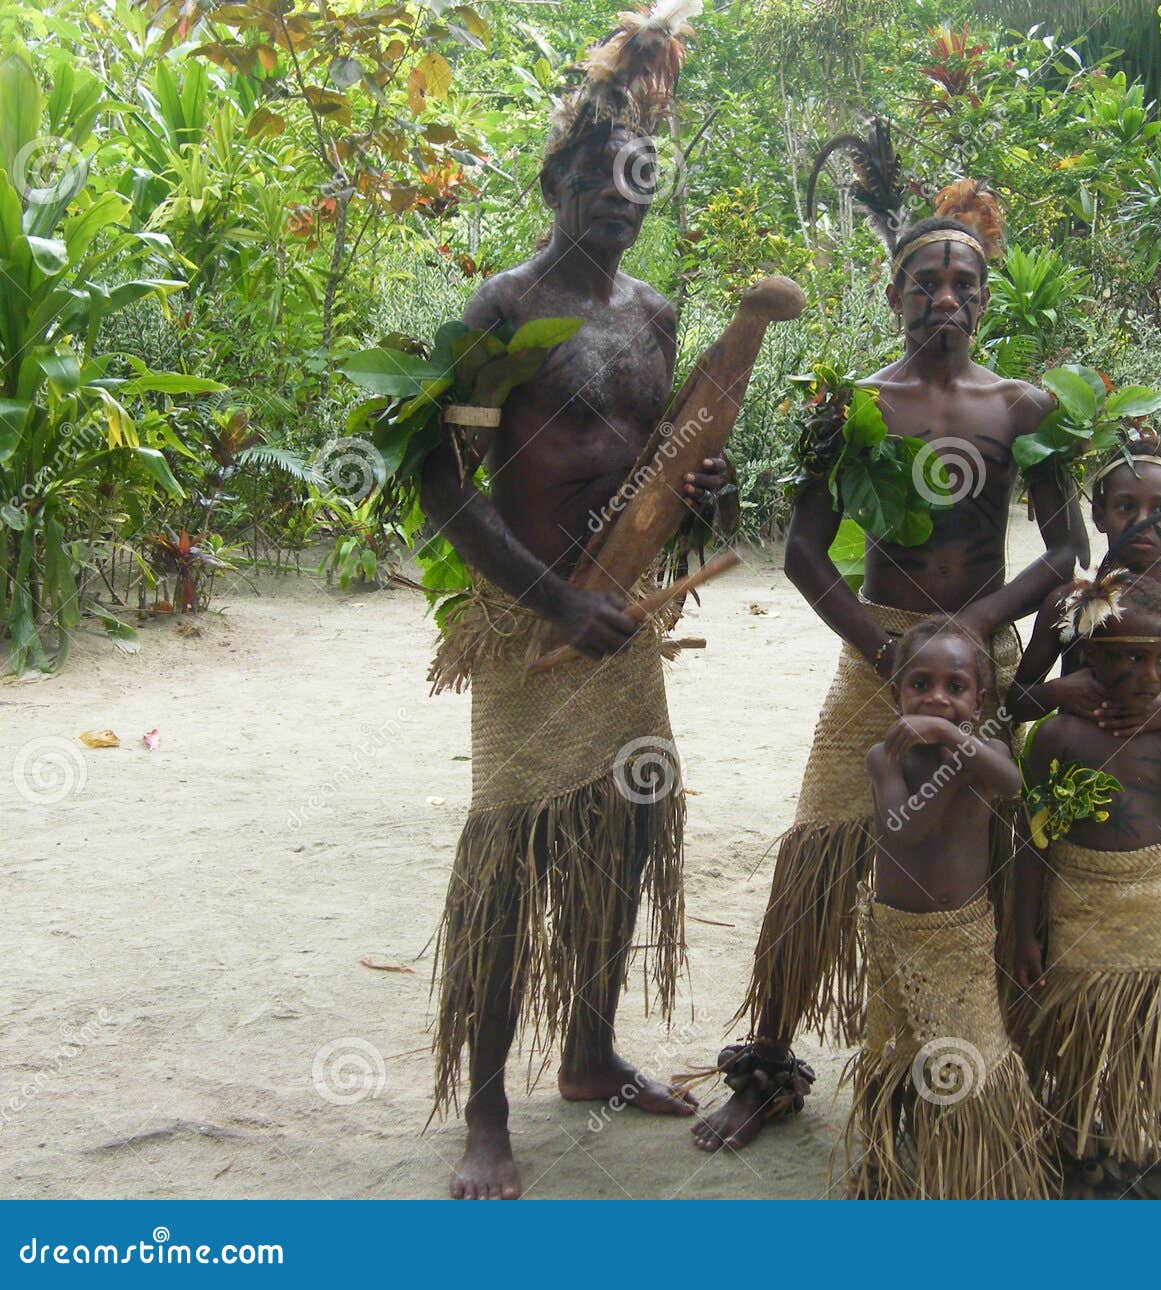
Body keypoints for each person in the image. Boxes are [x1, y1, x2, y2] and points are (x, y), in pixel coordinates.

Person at [690, 171, 1086, 1152]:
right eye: (924, 283)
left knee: (993, 854)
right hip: (875, 658)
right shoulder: (854, 407)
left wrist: (975, 639)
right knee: (820, 848)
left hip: (979, 664)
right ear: (891, 296)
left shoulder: (1026, 409)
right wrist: (885, 648)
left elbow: (1064, 551)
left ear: (987, 299)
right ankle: (770, 1063)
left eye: (963, 283)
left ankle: (996, 1071)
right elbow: (800, 551)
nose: (944, 298)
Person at [419, 4, 731, 1200]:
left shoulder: (654, 316)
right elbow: (445, 480)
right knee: (513, 854)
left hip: (626, 626)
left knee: (627, 831)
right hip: (529, 627)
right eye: (600, 176)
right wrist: (550, 598)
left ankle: (592, 1056)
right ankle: (487, 1112)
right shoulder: (502, 310)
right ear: (560, 180)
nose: (619, 197)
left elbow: (656, 475)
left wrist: (703, 492)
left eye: (639, 179)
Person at [1010, 573, 1161, 1198]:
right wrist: (1022, 933)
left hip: (1151, 933)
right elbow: (1033, 847)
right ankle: (1083, 1151)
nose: (1148, 675)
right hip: (1075, 929)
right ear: (1091, 653)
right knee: (1079, 1044)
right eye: (1127, 656)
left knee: (1159, 1043)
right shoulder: (1058, 737)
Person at [843, 618, 1052, 1199]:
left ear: (978, 700)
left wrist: (958, 747)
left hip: (961, 938)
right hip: (898, 934)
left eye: (954, 687)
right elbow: (903, 834)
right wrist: (949, 764)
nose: (937, 698)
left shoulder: (986, 752)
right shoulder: (885, 759)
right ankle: (884, 1165)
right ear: (896, 695)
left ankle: (973, 1173)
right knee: (891, 1049)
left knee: (969, 1048)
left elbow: (1012, 782)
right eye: (921, 685)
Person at [1008, 432, 1161, 734]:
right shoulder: (1067, 603)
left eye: (1160, 511)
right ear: (1099, 516)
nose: (1142, 521)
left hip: (1153, 771)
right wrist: (1060, 690)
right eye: (1126, 507)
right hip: (1074, 769)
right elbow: (1014, 704)